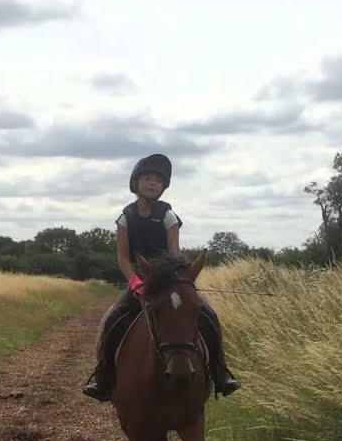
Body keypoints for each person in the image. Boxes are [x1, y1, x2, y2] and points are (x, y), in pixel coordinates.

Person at [81, 152, 241, 401]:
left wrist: (173, 282)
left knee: (208, 316)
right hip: (140, 284)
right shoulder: (126, 217)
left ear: (163, 186)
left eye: (157, 179)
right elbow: (123, 257)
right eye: (147, 178)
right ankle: (103, 377)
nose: (152, 183)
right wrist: (134, 281)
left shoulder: (168, 216)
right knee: (113, 320)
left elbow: (174, 253)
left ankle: (220, 372)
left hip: (167, 283)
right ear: (136, 184)